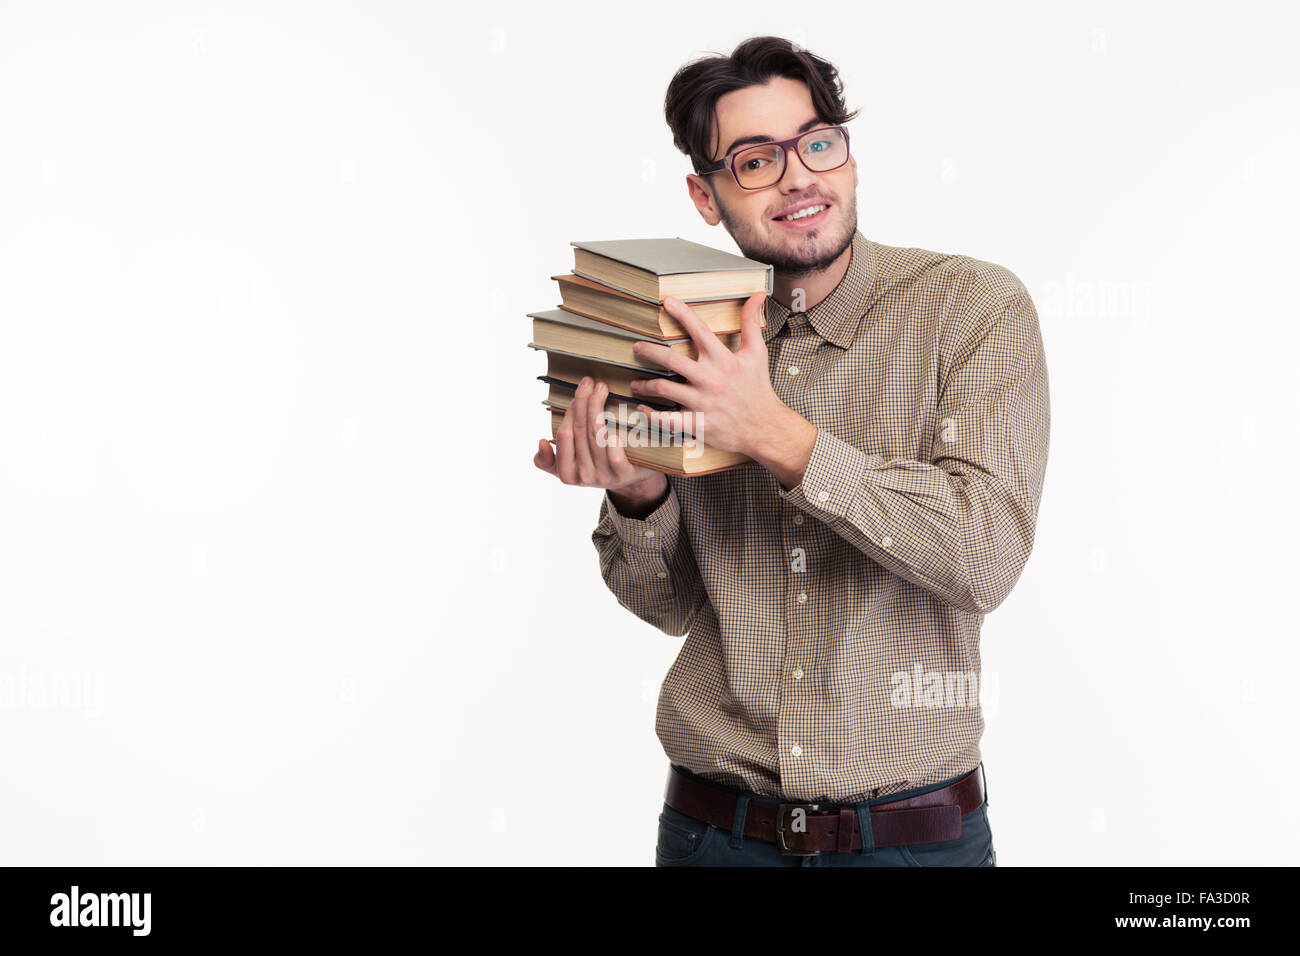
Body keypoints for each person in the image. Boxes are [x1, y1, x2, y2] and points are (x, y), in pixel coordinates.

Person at [533, 35, 1050, 866]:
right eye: (753, 160)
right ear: (706, 197)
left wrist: (775, 436)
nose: (799, 176)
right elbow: (666, 605)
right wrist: (639, 498)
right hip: (713, 834)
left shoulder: (973, 308)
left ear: (847, 156)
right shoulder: (683, 330)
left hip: (916, 840)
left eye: (817, 142)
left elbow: (985, 555)